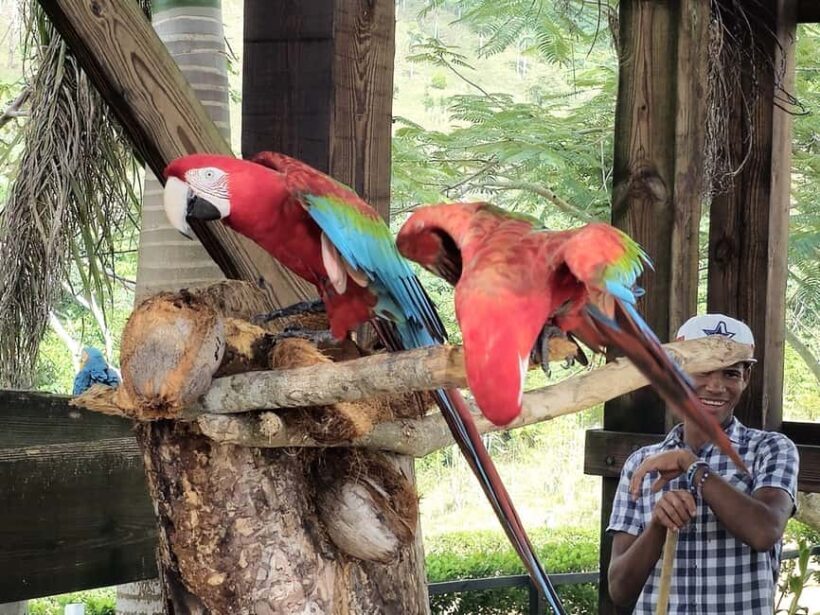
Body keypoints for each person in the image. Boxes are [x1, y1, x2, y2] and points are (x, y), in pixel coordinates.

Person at [607, 313, 799, 613]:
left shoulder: (771, 450)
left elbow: (764, 532)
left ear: (745, 379)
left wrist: (690, 464)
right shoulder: (640, 463)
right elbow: (619, 589)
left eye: (730, 374)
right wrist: (657, 525)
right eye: (702, 371)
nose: (715, 386)